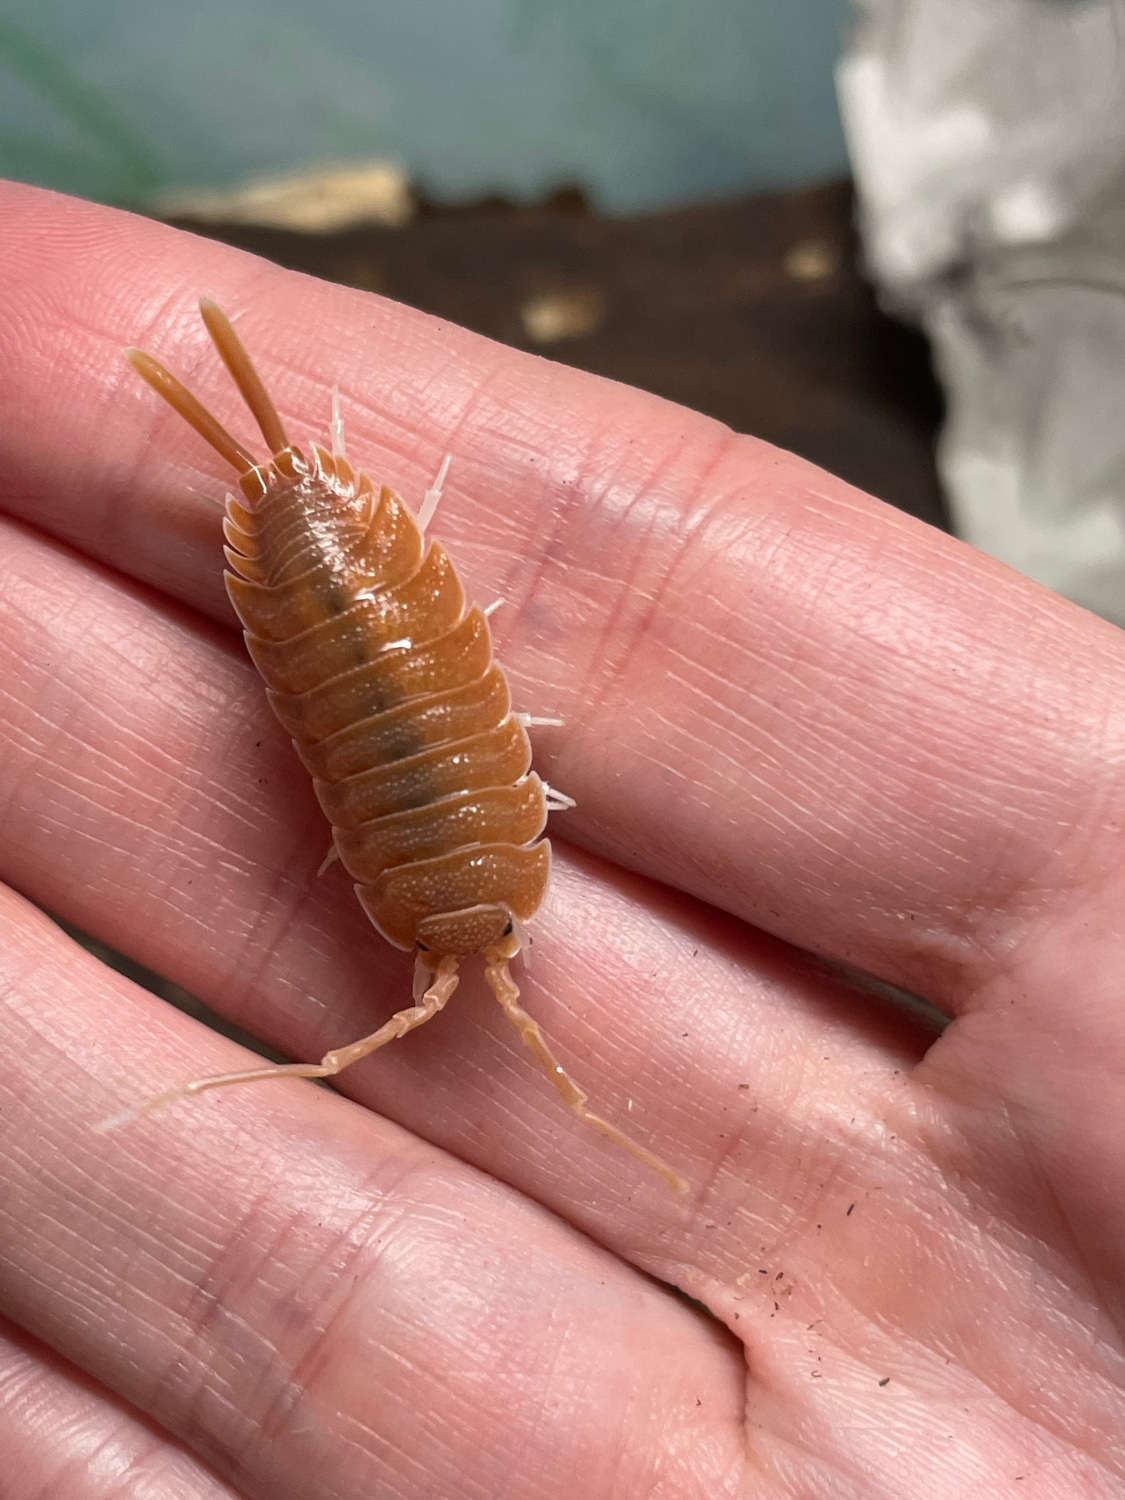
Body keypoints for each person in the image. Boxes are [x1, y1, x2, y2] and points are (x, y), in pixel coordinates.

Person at [0, 179, 1121, 1498]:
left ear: (378, 889)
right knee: (347, 701)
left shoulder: (442, 872)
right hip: (363, 601)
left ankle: (230, 435)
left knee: (344, 704)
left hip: (352, 625)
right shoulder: (430, 868)